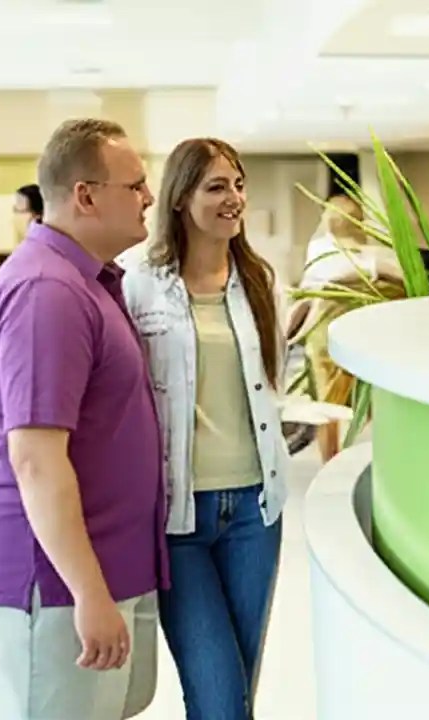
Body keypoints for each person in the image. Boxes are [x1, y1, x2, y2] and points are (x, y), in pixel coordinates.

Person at [0, 118, 166, 720]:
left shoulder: (87, 281)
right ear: (86, 195)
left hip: (102, 564)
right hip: (51, 581)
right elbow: (35, 457)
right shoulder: (47, 290)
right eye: (136, 185)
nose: (148, 198)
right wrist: (88, 593)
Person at [120, 138, 289, 720]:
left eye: (239, 184)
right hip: (178, 520)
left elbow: (273, 385)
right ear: (179, 198)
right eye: (217, 187)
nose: (234, 198)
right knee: (218, 694)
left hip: (255, 512)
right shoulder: (138, 283)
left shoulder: (260, 281)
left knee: (237, 691)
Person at [295, 195, 403, 463]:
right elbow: (405, 290)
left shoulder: (320, 257)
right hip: (367, 343)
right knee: (373, 402)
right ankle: (373, 459)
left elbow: (303, 302)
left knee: (326, 407)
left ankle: (329, 462)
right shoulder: (380, 259)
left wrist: (286, 336)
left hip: (325, 343)